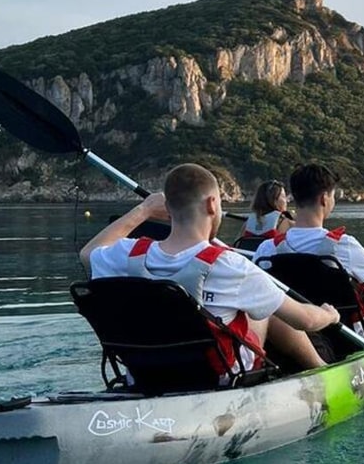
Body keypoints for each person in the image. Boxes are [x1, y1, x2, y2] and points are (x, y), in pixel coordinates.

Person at [79, 163, 339, 383]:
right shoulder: (231, 266)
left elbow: (87, 253)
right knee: (263, 309)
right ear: (213, 204)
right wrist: (329, 314)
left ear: (167, 208)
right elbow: (305, 320)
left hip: (146, 373)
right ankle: (322, 371)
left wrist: (143, 210)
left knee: (258, 303)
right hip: (217, 377)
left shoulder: (126, 254)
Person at [254, 164, 364, 337]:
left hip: (295, 331)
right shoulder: (343, 245)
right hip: (347, 334)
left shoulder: (267, 248)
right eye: (333, 196)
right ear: (324, 199)